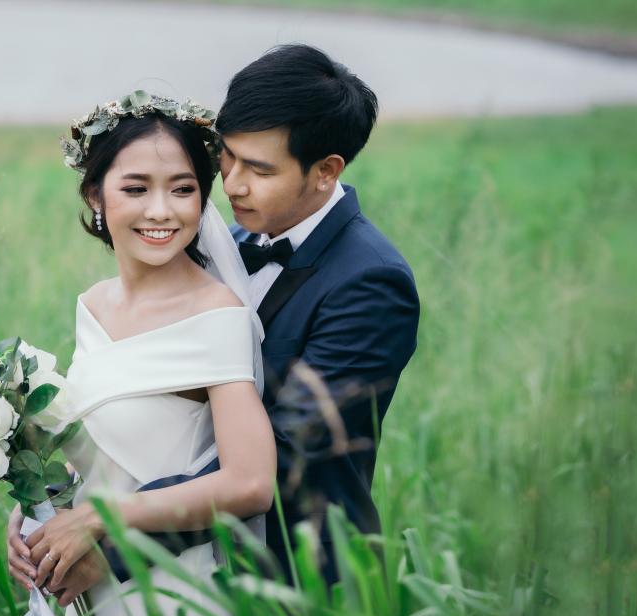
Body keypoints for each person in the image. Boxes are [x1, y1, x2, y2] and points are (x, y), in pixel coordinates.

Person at [110, 44, 421, 586]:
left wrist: (118, 541)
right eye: (226, 157)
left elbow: (285, 459)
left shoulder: (371, 283)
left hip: (293, 581)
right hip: (192, 570)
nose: (230, 184)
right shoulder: (222, 245)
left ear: (326, 171)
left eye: (258, 169)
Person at [5, 92, 276, 616]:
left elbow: (250, 483)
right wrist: (34, 518)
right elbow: (104, 445)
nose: (162, 210)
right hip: (88, 586)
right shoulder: (94, 304)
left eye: (183, 189)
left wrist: (99, 517)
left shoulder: (215, 314)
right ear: (94, 193)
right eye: (136, 189)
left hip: (173, 596)